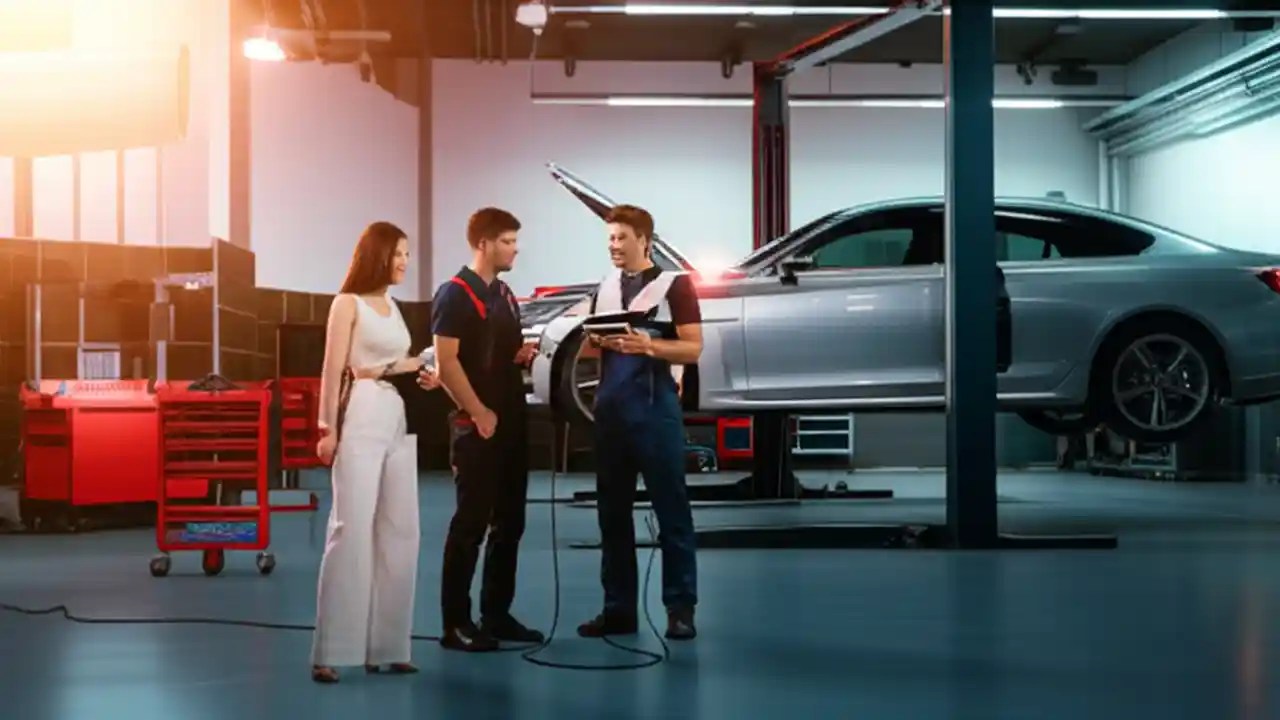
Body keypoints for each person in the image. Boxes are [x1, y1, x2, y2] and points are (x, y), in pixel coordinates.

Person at [577, 204, 702, 641]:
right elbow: (591, 349)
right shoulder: (605, 287)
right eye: (610, 238)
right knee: (612, 516)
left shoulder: (674, 286)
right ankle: (618, 609)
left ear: (644, 241)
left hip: (655, 411)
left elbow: (693, 348)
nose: (613, 246)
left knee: (672, 512)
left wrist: (649, 346)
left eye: (621, 238)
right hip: (611, 412)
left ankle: (680, 608)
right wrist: (589, 339)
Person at [310, 221, 425, 684]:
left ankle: (388, 646)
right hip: (359, 413)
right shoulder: (347, 303)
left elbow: (393, 363)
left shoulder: (392, 306)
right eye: (398, 253)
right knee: (350, 528)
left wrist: (422, 369)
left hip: (394, 413)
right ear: (377, 255)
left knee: (401, 529)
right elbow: (333, 368)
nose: (404, 262)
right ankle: (329, 651)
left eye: (407, 254)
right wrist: (327, 429)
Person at [431, 207, 543, 652]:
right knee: (470, 525)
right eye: (507, 242)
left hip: (512, 421)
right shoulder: (454, 294)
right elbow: (446, 363)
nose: (515, 249)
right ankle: (455, 623)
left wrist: (522, 355)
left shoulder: (505, 294)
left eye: (515, 241)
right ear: (483, 243)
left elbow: (502, 350)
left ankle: (496, 614)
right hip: (477, 425)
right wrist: (478, 411)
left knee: (510, 522)